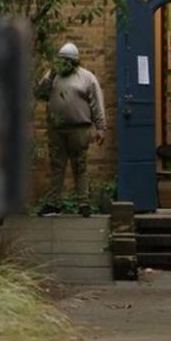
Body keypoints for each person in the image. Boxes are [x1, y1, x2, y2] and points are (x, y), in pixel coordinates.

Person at [35, 42, 106, 217]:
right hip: (57, 129)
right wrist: (51, 75)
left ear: (75, 62)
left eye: (67, 61)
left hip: (79, 128)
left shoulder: (87, 77)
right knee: (57, 166)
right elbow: (40, 94)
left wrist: (101, 127)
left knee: (80, 165)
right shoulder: (53, 76)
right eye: (62, 61)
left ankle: (84, 203)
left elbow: (97, 103)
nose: (64, 64)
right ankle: (53, 204)